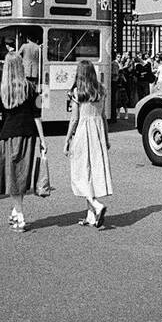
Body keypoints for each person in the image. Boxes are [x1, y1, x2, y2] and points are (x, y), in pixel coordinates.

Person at [0, 51, 46, 232]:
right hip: (29, 134)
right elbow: (38, 115)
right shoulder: (31, 87)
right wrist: (43, 140)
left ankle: (20, 215)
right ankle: (15, 210)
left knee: (12, 175)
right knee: (22, 174)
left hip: (9, 133)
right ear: (21, 66)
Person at [65, 60, 113, 228]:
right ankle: (91, 216)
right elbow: (104, 117)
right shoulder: (102, 90)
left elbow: (74, 119)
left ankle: (96, 205)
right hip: (98, 133)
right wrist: (106, 138)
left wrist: (67, 140)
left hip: (83, 133)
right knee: (92, 172)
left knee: (80, 172)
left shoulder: (77, 92)